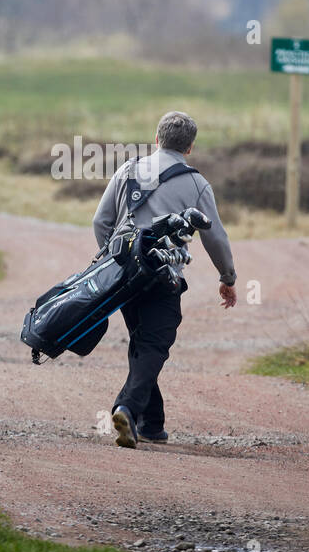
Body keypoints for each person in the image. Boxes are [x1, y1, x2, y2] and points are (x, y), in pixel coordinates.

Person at [92, 111, 237, 448]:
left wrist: (115, 259)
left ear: (156, 139)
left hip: (125, 276)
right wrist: (227, 276)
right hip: (162, 276)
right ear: (190, 148)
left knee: (143, 342)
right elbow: (214, 237)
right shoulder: (197, 184)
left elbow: (101, 221)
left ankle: (152, 424)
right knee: (155, 344)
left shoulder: (128, 170)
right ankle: (126, 408)